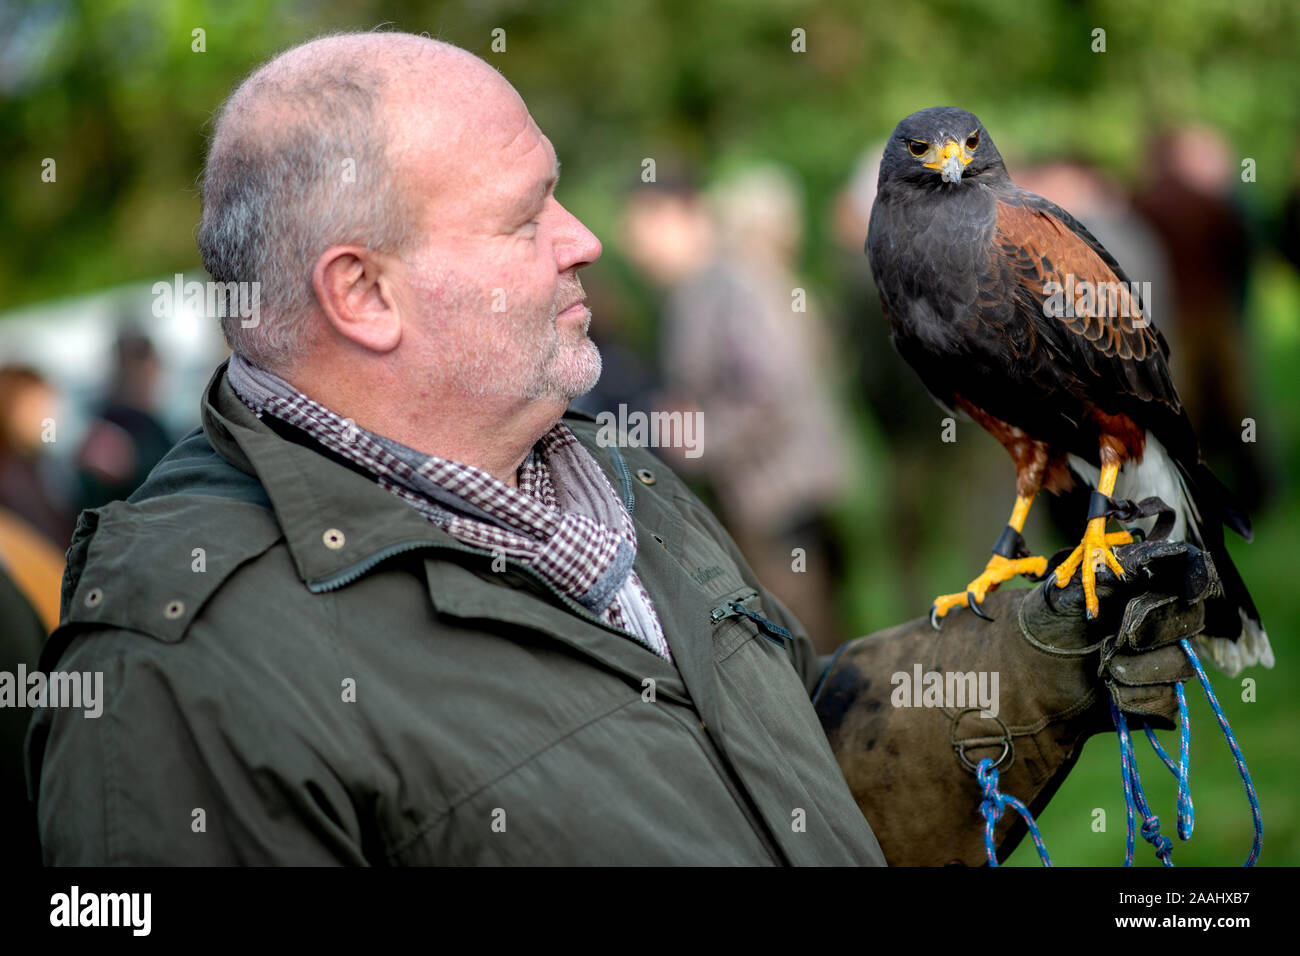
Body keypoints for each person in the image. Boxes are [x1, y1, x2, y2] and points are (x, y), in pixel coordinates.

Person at [27, 32, 1221, 866]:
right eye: (525, 214)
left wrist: (1030, 661)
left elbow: (770, 796)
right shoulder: (181, 677)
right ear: (364, 293)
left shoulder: (612, 476)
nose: (585, 238)